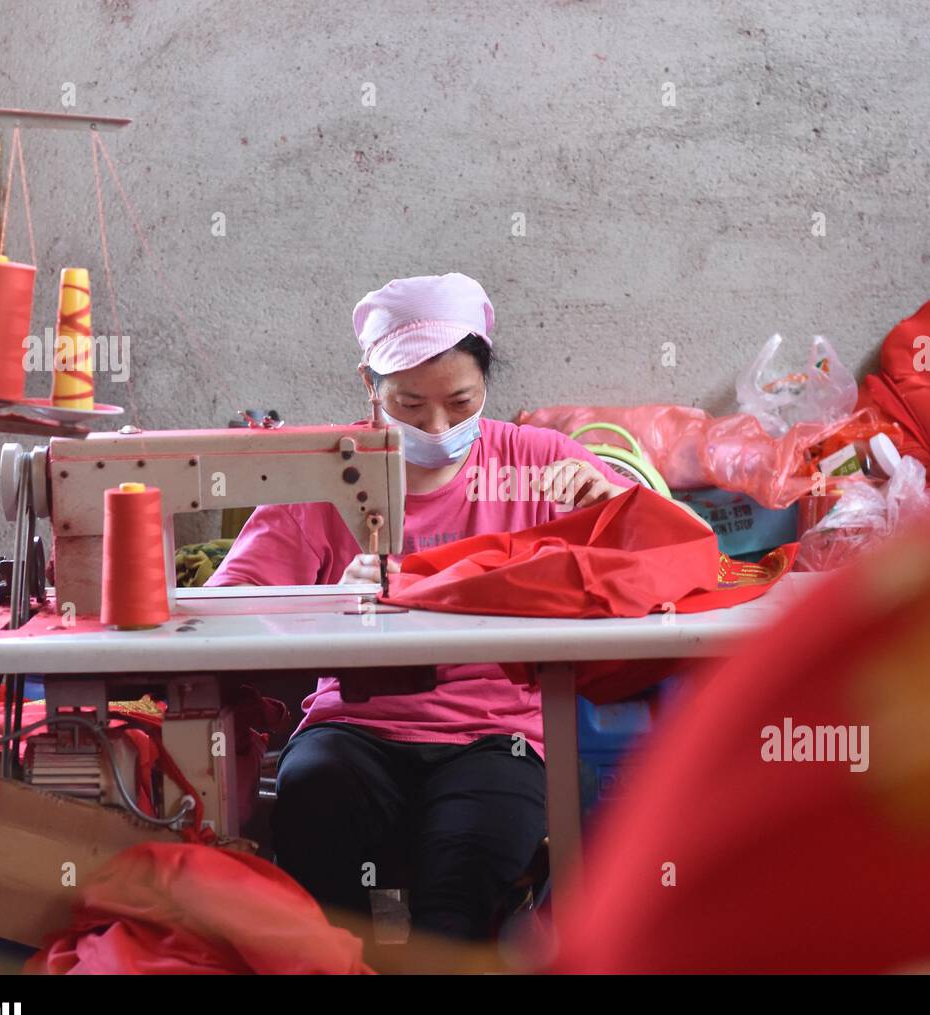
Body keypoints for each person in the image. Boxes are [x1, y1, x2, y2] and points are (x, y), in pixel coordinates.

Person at [205, 272, 638, 945]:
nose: (438, 426)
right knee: (321, 823)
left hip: (497, 733)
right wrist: (328, 605)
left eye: (461, 401)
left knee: (456, 902)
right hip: (353, 728)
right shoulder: (328, 476)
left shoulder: (537, 464)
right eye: (410, 404)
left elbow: (673, 559)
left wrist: (612, 506)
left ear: (487, 385)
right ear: (369, 387)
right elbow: (225, 613)